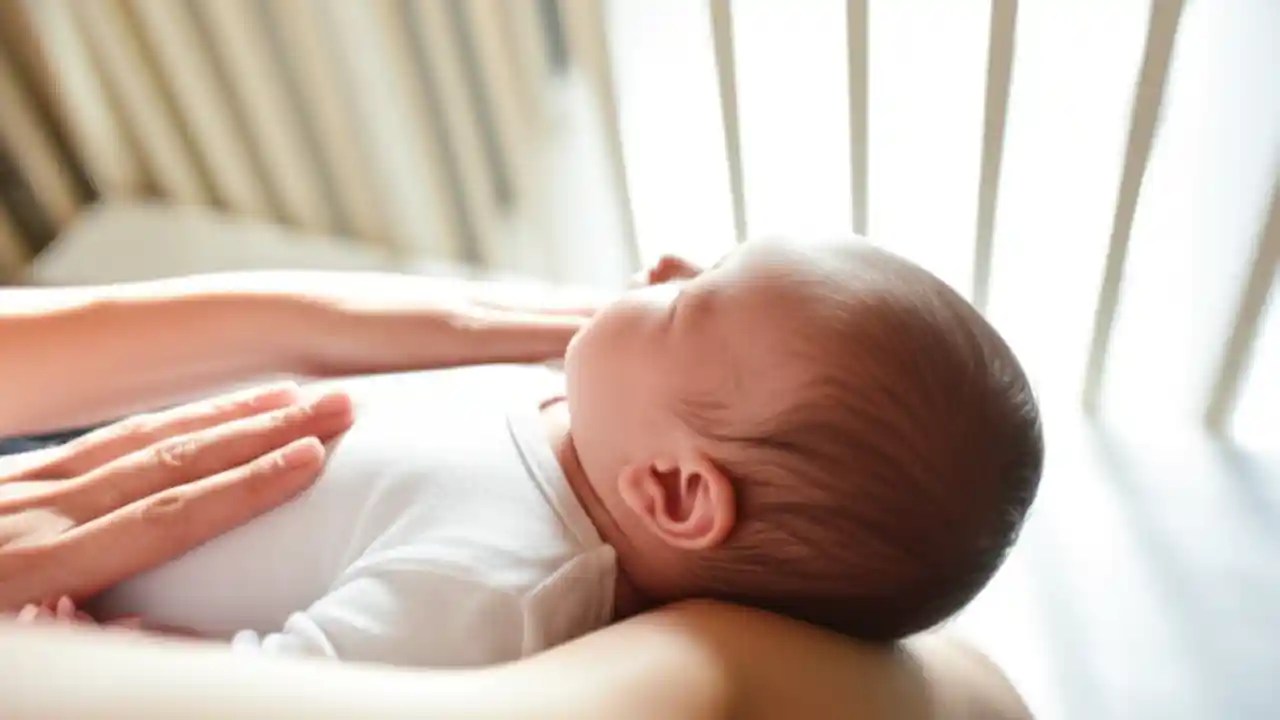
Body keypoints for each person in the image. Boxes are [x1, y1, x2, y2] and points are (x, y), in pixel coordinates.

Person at [18, 235, 1042, 668]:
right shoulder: (584, 423)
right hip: (75, 466)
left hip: (59, 596)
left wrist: (111, 655)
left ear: (675, 492)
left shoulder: (495, 587)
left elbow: (289, 694)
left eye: (687, 299)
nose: (663, 263)